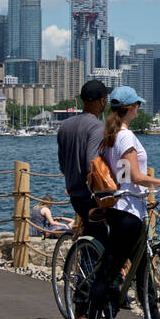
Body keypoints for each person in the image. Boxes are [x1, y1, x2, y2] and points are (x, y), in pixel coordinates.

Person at [82, 85, 160, 319]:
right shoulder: (125, 138)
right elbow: (133, 177)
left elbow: (123, 177)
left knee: (143, 273)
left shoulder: (111, 136)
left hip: (128, 209)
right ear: (130, 109)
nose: (139, 109)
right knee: (109, 270)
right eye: (137, 105)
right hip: (126, 212)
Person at [57, 79, 110, 247]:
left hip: (74, 194)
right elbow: (91, 165)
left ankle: (85, 271)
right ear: (102, 101)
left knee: (92, 236)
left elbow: (62, 164)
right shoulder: (98, 127)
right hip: (91, 197)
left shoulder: (64, 126)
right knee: (106, 238)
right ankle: (100, 273)